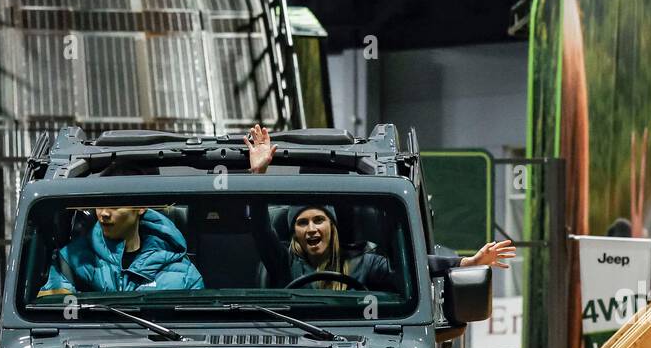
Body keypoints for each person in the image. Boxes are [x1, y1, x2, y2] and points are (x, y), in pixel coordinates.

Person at [244, 125, 517, 281]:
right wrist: (258, 174)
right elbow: (260, 229)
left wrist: (467, 263)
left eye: (319, 220)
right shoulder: (284, 263)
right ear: (294, 233)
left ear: (333, 226)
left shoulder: (365, 264)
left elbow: (412, 268)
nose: (311, 228)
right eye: (302, 223)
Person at [39, 206, 204, 297]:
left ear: (140, 208)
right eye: (100, 204)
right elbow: (52, 319)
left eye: (115, 205)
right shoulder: (71, 261)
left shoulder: (185, 274)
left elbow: (197, 333)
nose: (103, 213)